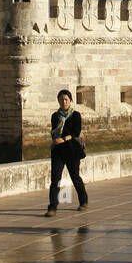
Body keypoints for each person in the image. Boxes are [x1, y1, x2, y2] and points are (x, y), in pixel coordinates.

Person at [44, 89, 88, 217]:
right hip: (58, 151)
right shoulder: (55, 116)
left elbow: (76, 132)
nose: (63, 102)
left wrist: (63, 139)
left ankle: (83, 201)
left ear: (70, 100)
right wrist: (56, 139)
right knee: (55, 180)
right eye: (61, 99)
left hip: (72, 150)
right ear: (58, 101)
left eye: (66, 100)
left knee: (75, 177)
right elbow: (53, 131)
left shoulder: (75, 115)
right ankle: (52, 207)